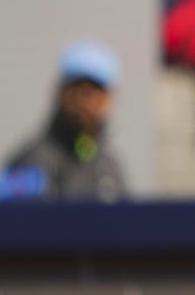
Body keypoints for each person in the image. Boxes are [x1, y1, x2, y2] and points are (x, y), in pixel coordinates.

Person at [7, 41, 127, 200]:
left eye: (95, 90)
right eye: (77, 88)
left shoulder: (110, 168)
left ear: (110, 99)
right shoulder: (33, 162)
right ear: (59, 92)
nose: (86, 100)